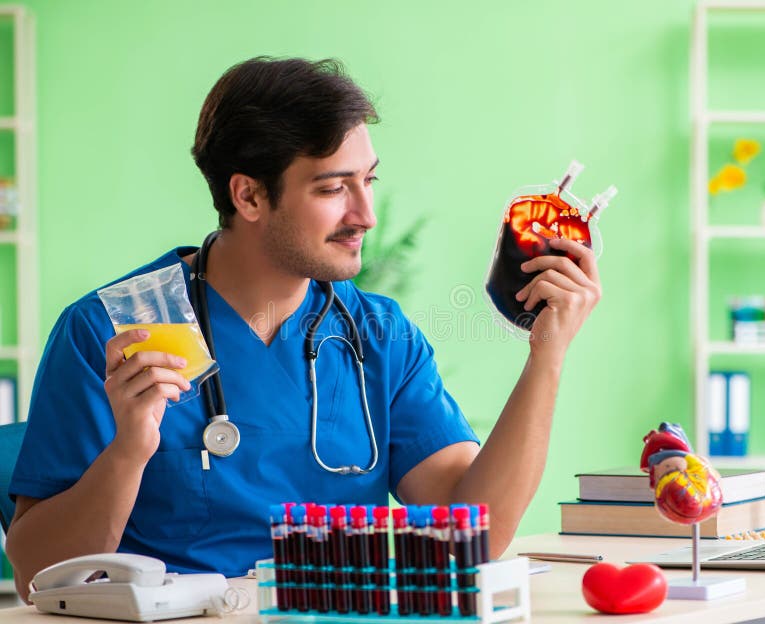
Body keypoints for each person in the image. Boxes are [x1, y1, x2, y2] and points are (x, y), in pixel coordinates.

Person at [5, 57, 601, 601]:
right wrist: (129, 453)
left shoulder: (379, 335)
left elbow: (475, 535)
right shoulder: (118, 330)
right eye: (332, 188)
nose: (364, 215)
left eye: (368, 180)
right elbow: (36, 570)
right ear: (248, 196)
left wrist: (546, 355)